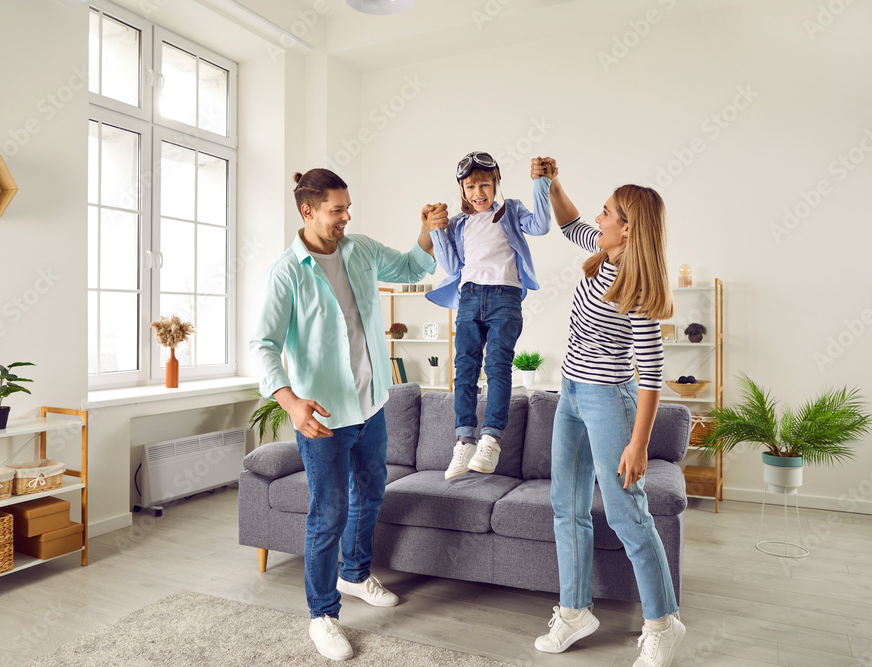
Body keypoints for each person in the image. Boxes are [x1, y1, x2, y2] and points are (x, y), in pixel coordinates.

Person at [250, 168, 439, 662]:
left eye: (347, 207)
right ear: (307, 210)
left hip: (372, 404)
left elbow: (411, 267)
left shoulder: (359, 251)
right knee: (328, 511)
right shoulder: (287, 272)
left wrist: (424, 230)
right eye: (337, 210)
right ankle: (323, 615)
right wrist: (290, 402)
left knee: (371, 492)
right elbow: (263, 346)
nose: (346, 217)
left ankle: (353, 575)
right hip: (323, 415)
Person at [532, 158, 685, 667]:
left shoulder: (636, 289)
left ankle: (663, 623)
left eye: (607, 212)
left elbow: (652, 373)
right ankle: (575, 610)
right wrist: (552, 183)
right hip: (571, 393)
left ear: (628, 227)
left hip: (607, 401)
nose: (597, 220)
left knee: (626, 513)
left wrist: (638, 443)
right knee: (566, 506)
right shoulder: (603, 253)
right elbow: (569, 221)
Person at [422, 152, 551, 480]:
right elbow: (452, 267)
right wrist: (437, 229)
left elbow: (541, 225)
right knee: (464, 368)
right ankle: (464, 439)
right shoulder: (458, 224)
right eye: (470, 186)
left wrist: (541, 182)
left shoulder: (511, 211)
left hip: (504, 297)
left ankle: (491, 438)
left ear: (496, 185)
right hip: (469, 298)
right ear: (462, 190)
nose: (478, 192)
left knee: (496, 366)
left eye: (484, 184)